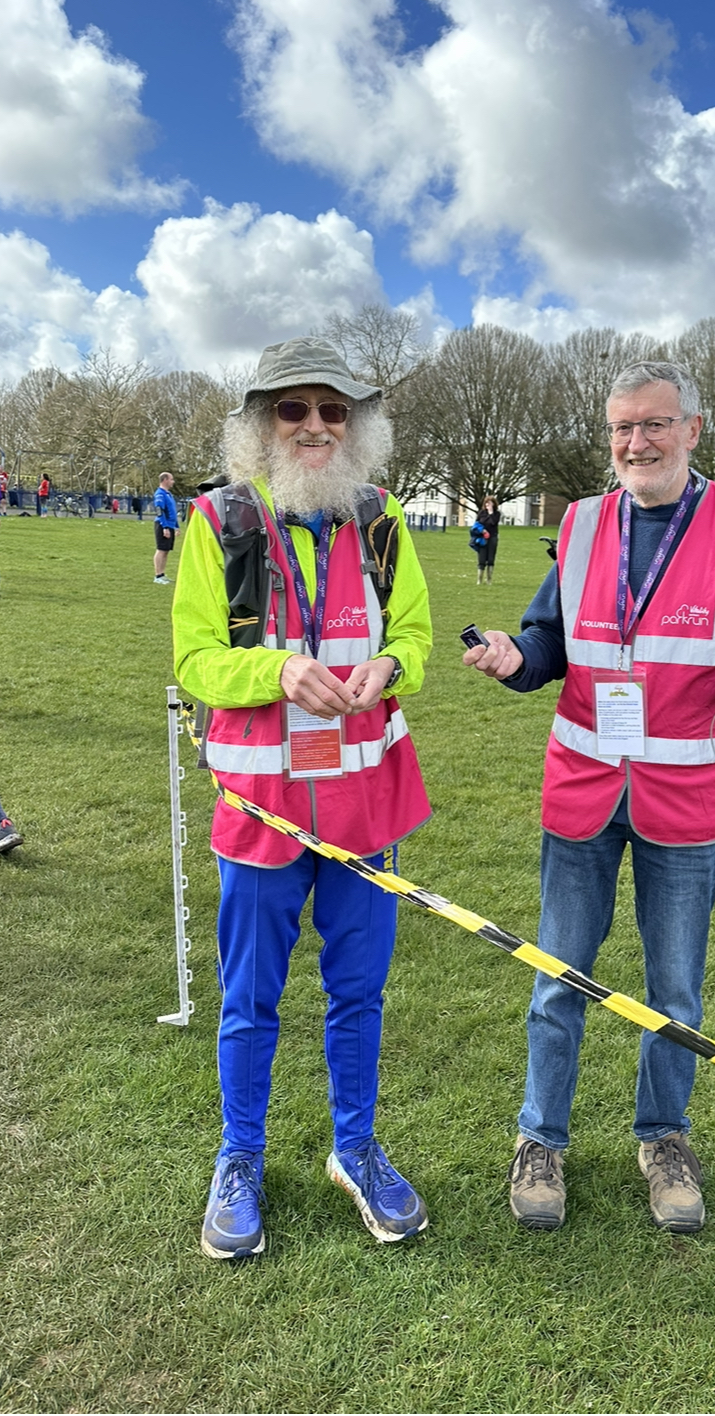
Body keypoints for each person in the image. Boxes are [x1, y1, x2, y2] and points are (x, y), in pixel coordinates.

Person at [462, 362, 715, 1234]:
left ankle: (664, 1138)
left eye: (653, 424)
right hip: (583, 787)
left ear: (692, 429)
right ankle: (540, 1139)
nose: (635, 443)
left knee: (674, 993)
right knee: (557, 980)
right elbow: (548, 638)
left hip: (686, 796)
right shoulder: (580, 522)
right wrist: (515, 657)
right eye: (621, 427)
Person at [172, 335, 433, 1258]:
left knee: (358, 993)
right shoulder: (219, 520)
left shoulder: (382, 517)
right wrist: (277, 670)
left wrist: (392, 664)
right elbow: (194, 659)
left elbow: (415, 633)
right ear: (260, 423)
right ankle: (239, 1157)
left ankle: (354, 1148)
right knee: (250, 997)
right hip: (263, 805)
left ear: (357, 424)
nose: (315, 425)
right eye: (293, 408)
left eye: (333, 409)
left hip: (366, 802)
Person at [153, 472, 179, 584]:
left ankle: (162, 574)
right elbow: (160, 510)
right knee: (161, 549)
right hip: (163, 525)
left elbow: (172, 511)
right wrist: (164, 527)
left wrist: (176, 526)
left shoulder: (168, 494)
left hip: (170, 525)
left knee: (166, 551)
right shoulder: (160, 494)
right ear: (165, 480)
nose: (173, 482)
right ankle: (157, 576)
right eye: (171, 479)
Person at [475, 496, 500, 584]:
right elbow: (477, 524)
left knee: (490, 558)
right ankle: (479, 579)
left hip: (493, 537)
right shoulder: (481, 513)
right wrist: (482, 530)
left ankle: (489, 579)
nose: (487, 504)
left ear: (493, 504)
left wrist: (491, 513)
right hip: (482, 538)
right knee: (481, 558)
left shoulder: (497, 514)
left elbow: (493, 522)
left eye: (490, 503)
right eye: (486, 503)